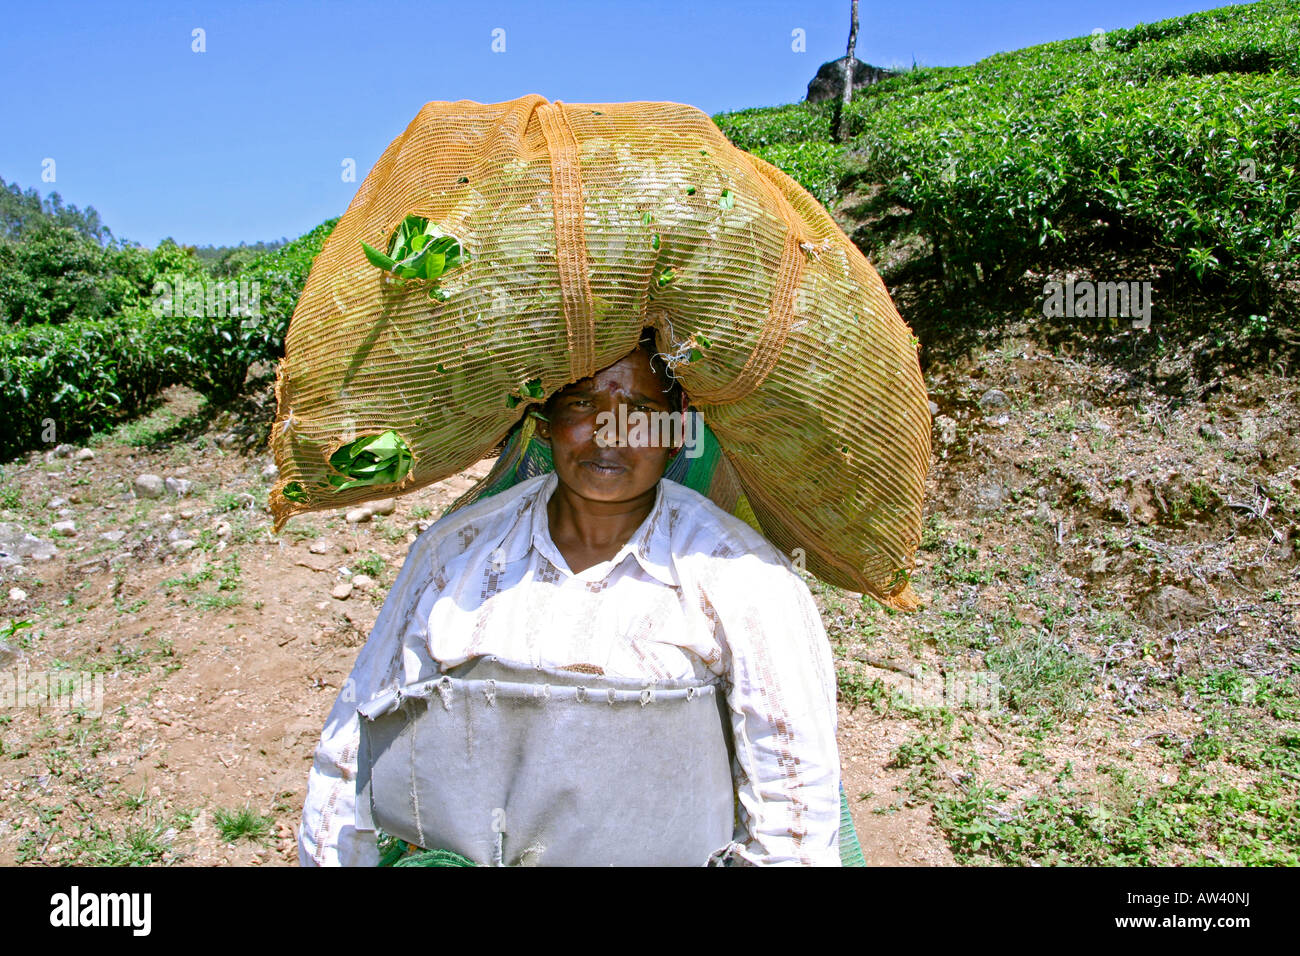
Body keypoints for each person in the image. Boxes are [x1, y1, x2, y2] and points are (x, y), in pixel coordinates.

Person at [298, 330, 843, 866]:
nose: (609, 432)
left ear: (677, 432)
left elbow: (793, 795)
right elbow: (352, 752)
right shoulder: (455, 556)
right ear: (545, 423)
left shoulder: (741, 574)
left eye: (639, 409)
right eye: (583, 402)